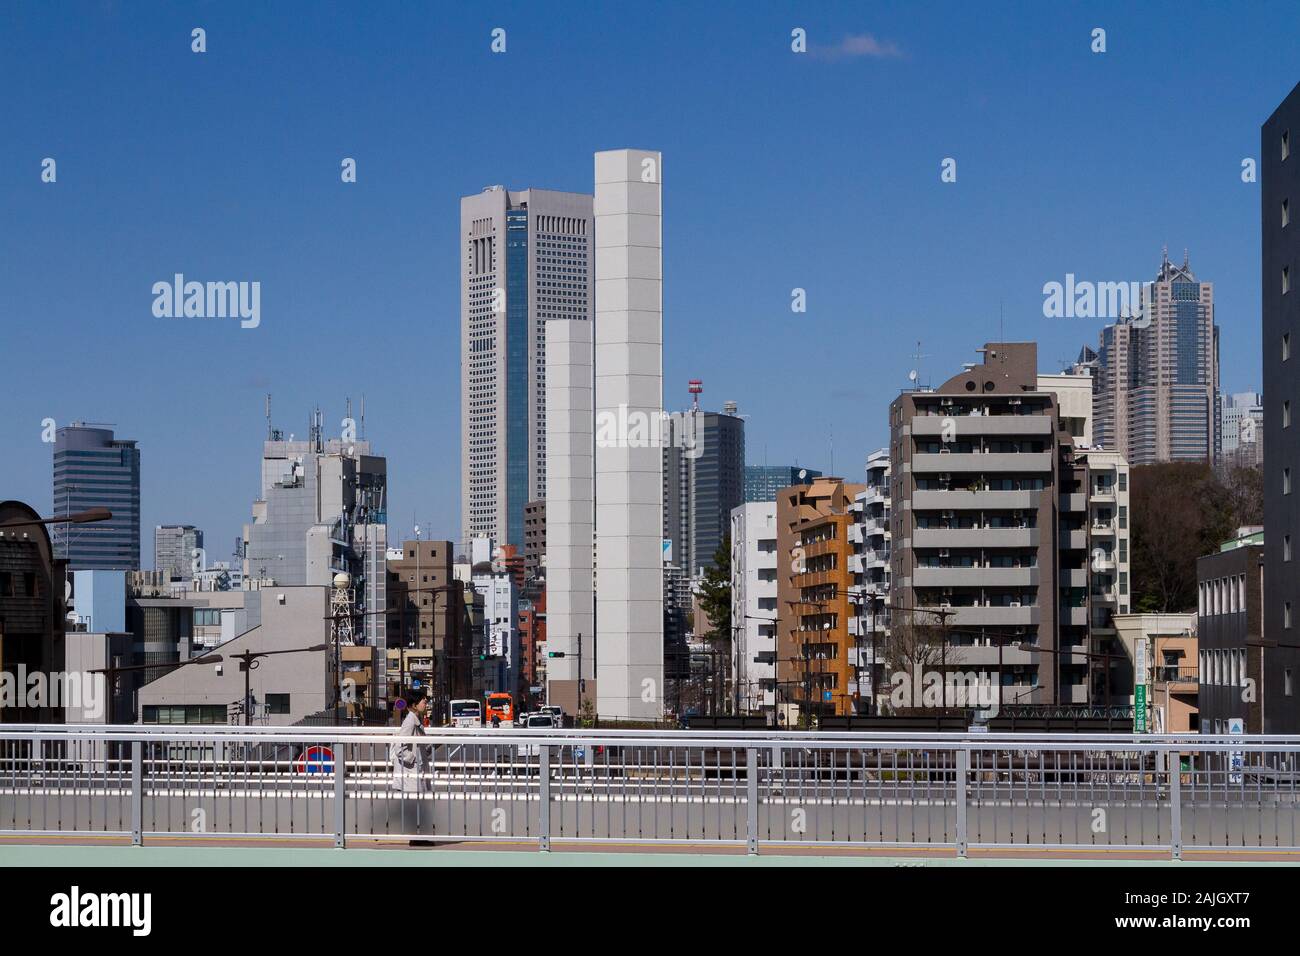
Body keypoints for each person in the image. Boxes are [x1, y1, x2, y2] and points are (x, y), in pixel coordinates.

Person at [391, 689, 434, 844]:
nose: (426, 703)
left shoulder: (416, 719)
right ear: (415, 704)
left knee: (419, 803)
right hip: (412, 771)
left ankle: (418, 837)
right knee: (417, 804)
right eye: (423, 700)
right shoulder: (410, 721)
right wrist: (414, 759)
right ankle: (417, 838)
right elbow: (399, 748)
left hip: (417, 770)